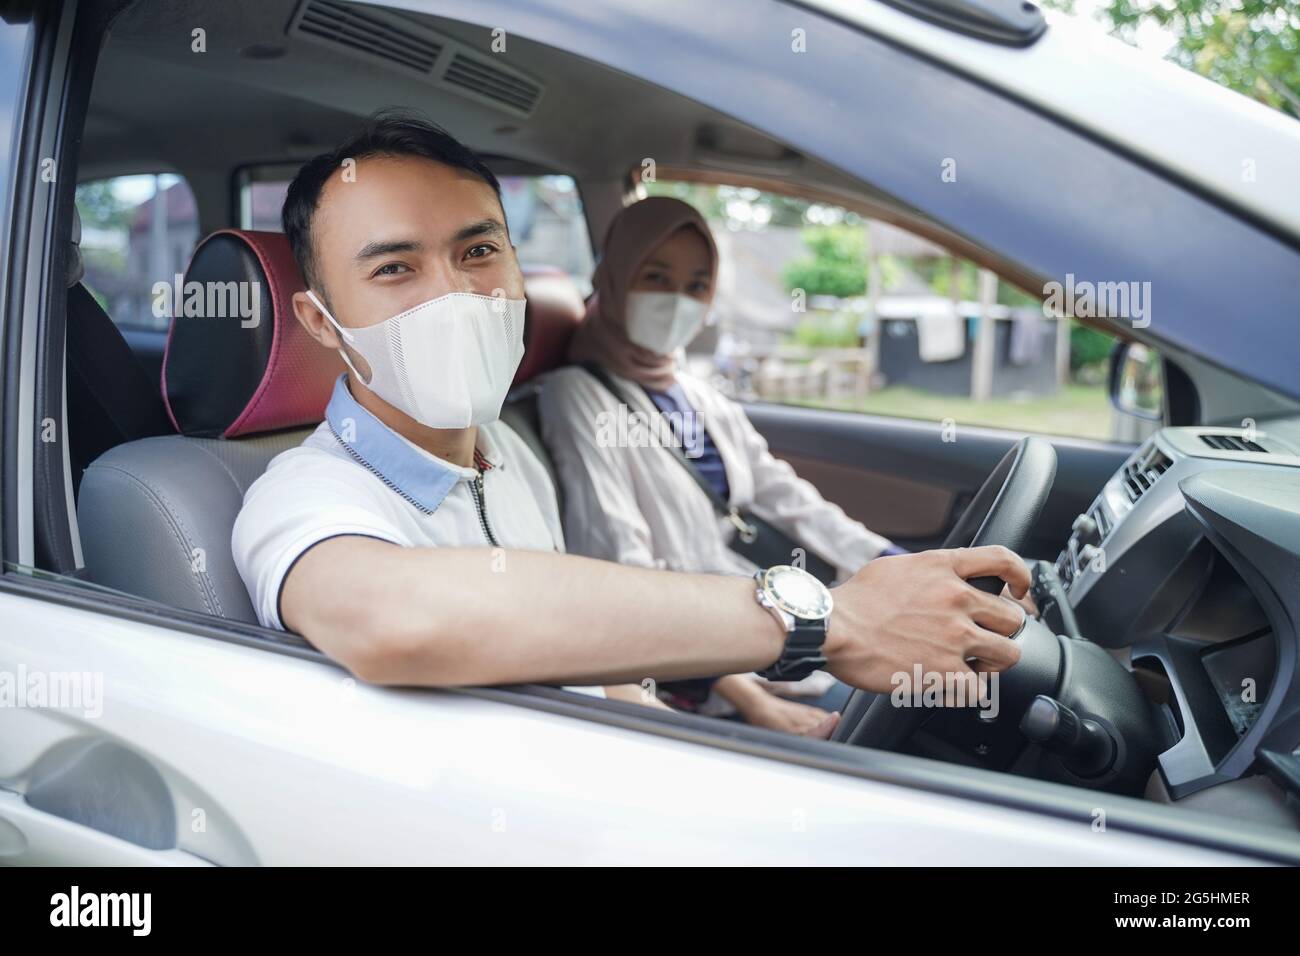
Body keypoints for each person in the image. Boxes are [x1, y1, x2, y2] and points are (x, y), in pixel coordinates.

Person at [230, 110, 1029, 733]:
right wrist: (829, 618)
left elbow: (595, 660)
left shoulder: (506, 450)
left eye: (478, 253)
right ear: (322, 321)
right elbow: (399, 618)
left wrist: (677, 742)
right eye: (395, 268)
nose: (457, 298)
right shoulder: (299, 496)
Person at [538, 198, 905, 733]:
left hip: (763, 630)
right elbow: (620, 571)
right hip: (686, 669)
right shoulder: (578, 396)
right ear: (614, 278)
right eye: (656, 277)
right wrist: (753, 700)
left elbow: (787, 495)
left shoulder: (694, 393)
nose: (676, 302)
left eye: (695, 286)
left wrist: (888, 560)